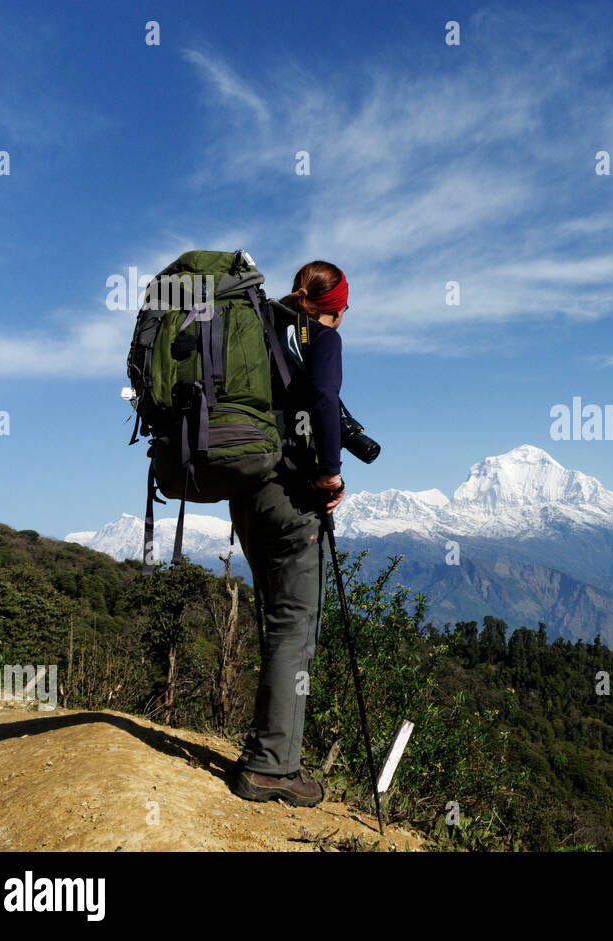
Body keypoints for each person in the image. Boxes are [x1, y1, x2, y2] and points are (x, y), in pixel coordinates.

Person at [227, 260, 348, 807]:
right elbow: (323, 398)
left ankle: (265, 748)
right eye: (342, 309)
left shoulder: (256, 325)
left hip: (245, 494)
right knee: (294, 628)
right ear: (334, 306)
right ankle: (272, 768)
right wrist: (329, 469)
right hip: (289, 495)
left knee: (277, 621)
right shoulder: (317, 336)